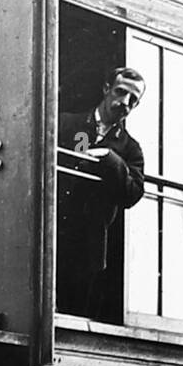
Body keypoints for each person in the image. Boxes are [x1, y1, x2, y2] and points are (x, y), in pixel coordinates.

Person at [57, 66, 147, 317]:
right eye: (121, 92)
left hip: (86, 244)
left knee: (73, 314)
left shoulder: (130, 150)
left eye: (133, 100)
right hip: (50, 230)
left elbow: (132, 194)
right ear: (106, 89)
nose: (124, 102)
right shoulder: (66, 123)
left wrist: (110, 159)